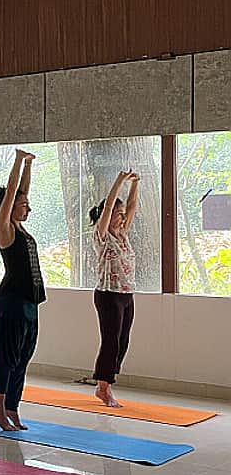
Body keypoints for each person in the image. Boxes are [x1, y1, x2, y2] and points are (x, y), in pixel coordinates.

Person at [0, 149, 46, 431]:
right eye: (23, 204)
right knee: (7, 356)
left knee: (23, 357)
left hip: (29, 301)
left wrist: (29, 166)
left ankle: (12, 406)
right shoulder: (5, 227)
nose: (28, 208)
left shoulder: (21, 229)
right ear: (9, 207)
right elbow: (14, 192)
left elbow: (21, 190)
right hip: (10, 301)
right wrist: (17, 161)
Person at [90, 170, 140, 408]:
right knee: (110, 341)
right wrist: (119, 181)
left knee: (123, 341)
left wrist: (135, 184)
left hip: (126, 294)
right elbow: (110, 205)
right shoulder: (102, 237)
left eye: (122, 215)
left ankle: (108, 381)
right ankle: (103, 387)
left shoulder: (123, 235)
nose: (121, 218)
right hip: (108, 295)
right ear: (107, 217)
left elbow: (131, 206)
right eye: (116, 215)